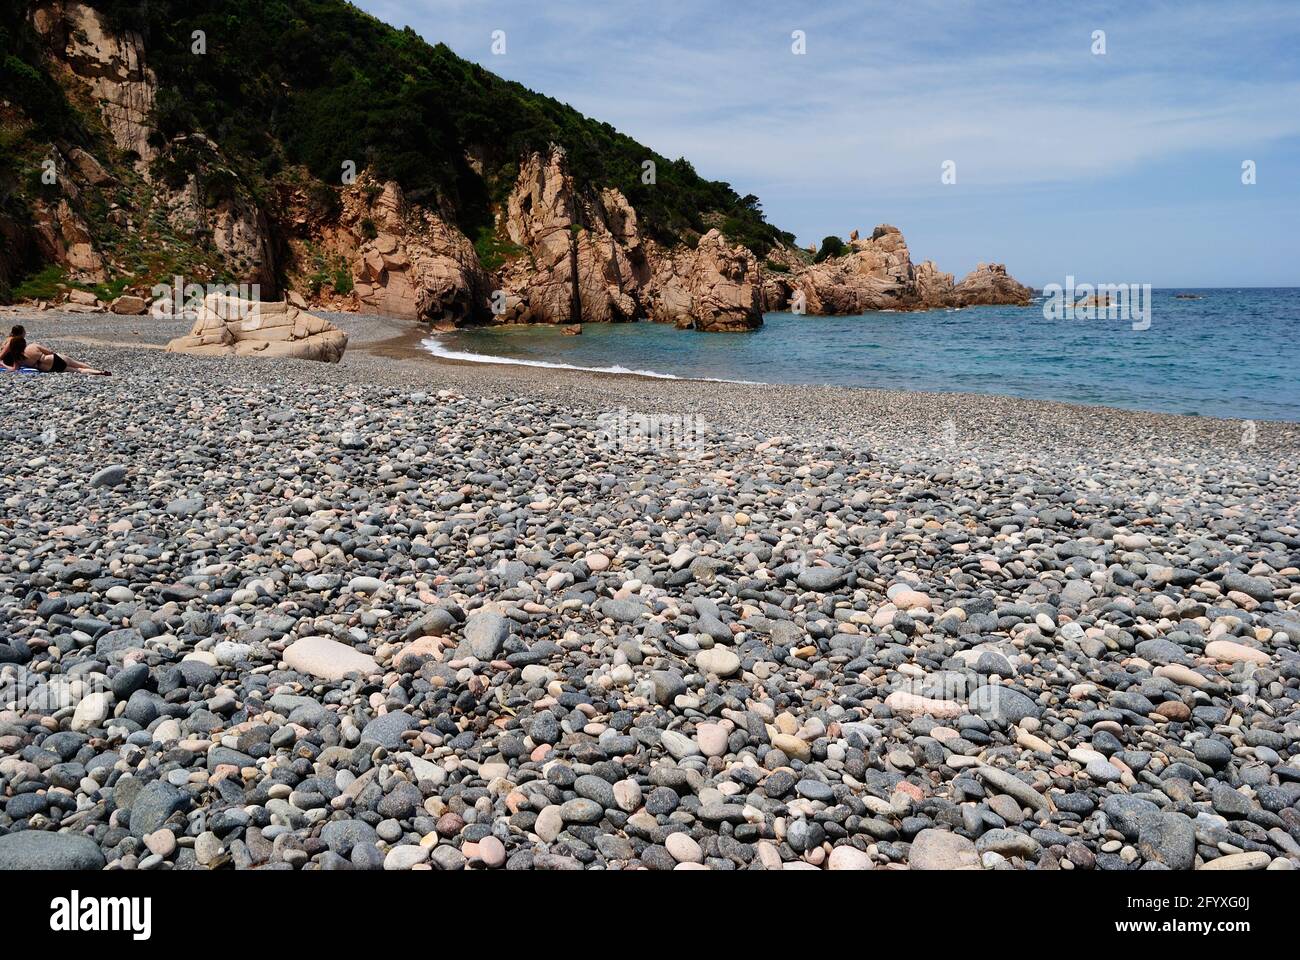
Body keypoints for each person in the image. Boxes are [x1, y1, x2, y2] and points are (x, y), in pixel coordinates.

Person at [0, 325, 110, 375]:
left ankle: (99, 373)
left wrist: (3, 365)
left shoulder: (17, 358)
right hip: (52, 358)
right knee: (79, 364)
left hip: (46, 368)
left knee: (78, 371)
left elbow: (14, 369)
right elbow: (50, 352)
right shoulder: (32, 346)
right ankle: (98, 370)